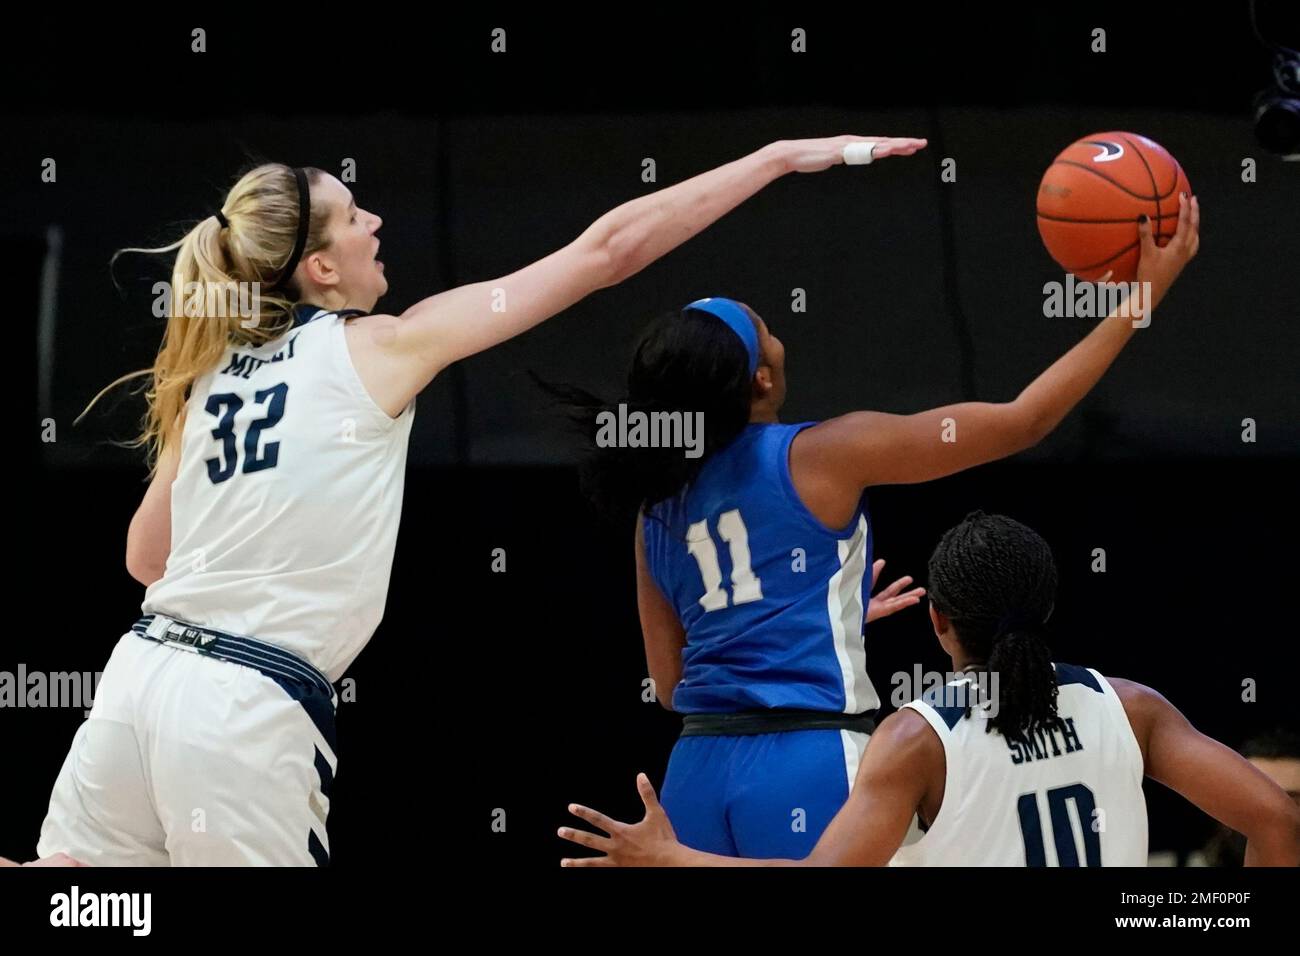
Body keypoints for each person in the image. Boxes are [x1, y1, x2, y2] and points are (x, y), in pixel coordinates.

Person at [38, 135, 927, 865]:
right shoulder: (379, 347)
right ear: (318, 266)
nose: (375, 220)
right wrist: (771, 159)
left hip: (136, 683)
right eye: (354, 216)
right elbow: (605, 254)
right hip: (238, 708)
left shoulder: (208, 379)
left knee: (76, 898)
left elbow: (146, 560)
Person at [547, 195, 1199, 857]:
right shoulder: (825, 454)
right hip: (809, 755)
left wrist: (805, 618)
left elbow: (668, 682)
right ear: (762, 378)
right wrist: (1140, 300)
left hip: (695, 768)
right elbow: (1024, 421)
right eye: (762, 323)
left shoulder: (653, 506)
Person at [558, 512, 1300, 866]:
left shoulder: (916, 739)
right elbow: (1275, 820)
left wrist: (671, 859)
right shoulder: (1131, 705)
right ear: (1048, 609)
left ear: (937, 619)